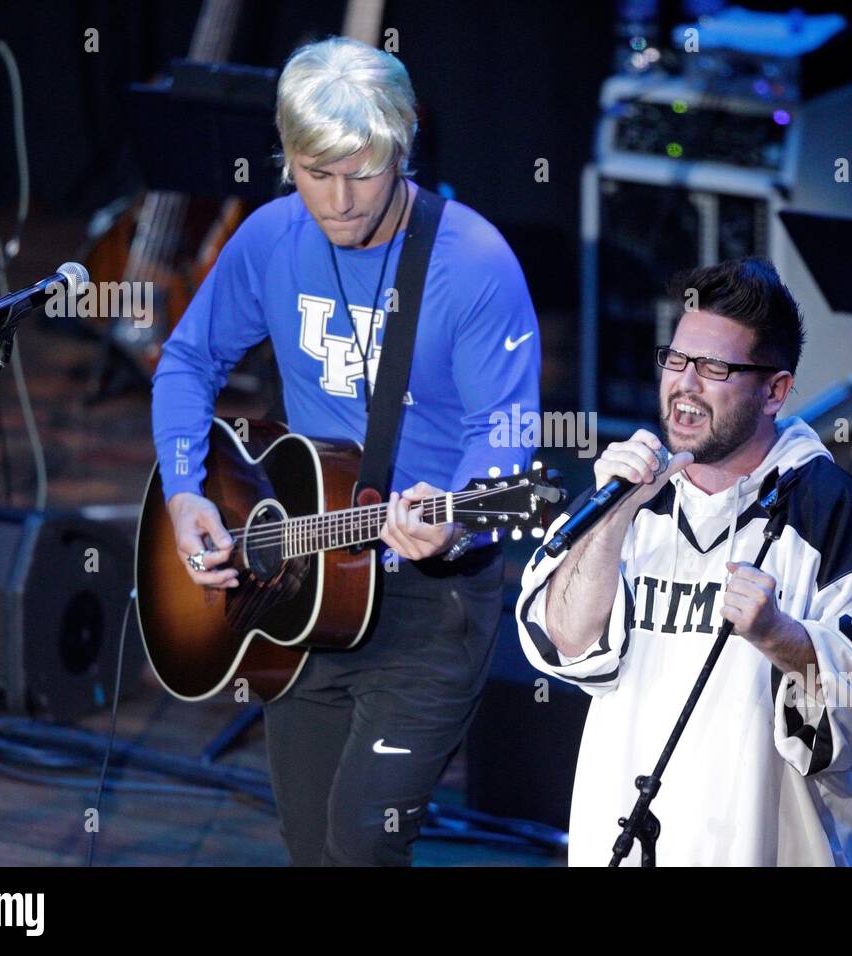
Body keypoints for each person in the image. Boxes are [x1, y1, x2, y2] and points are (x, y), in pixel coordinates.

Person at [151, 36, 541, 865]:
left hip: (430, 604)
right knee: (309, 847)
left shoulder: (472, 264)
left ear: (402, 146)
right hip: (302, 585)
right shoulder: (270, 238)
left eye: (361, 172)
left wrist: (456, 516)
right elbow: (187, 362)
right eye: (311, 170)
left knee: (362, 843)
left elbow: (504, 438)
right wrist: (186, 489)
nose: (336, 200)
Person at [516, 257, 852, 866]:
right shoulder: (626, 498)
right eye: (676, 360)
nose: (685, 384)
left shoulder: (841, 519)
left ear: (775, 391)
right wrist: (609, 524)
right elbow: (565, 645)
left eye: (714, 368)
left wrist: (781, 636)